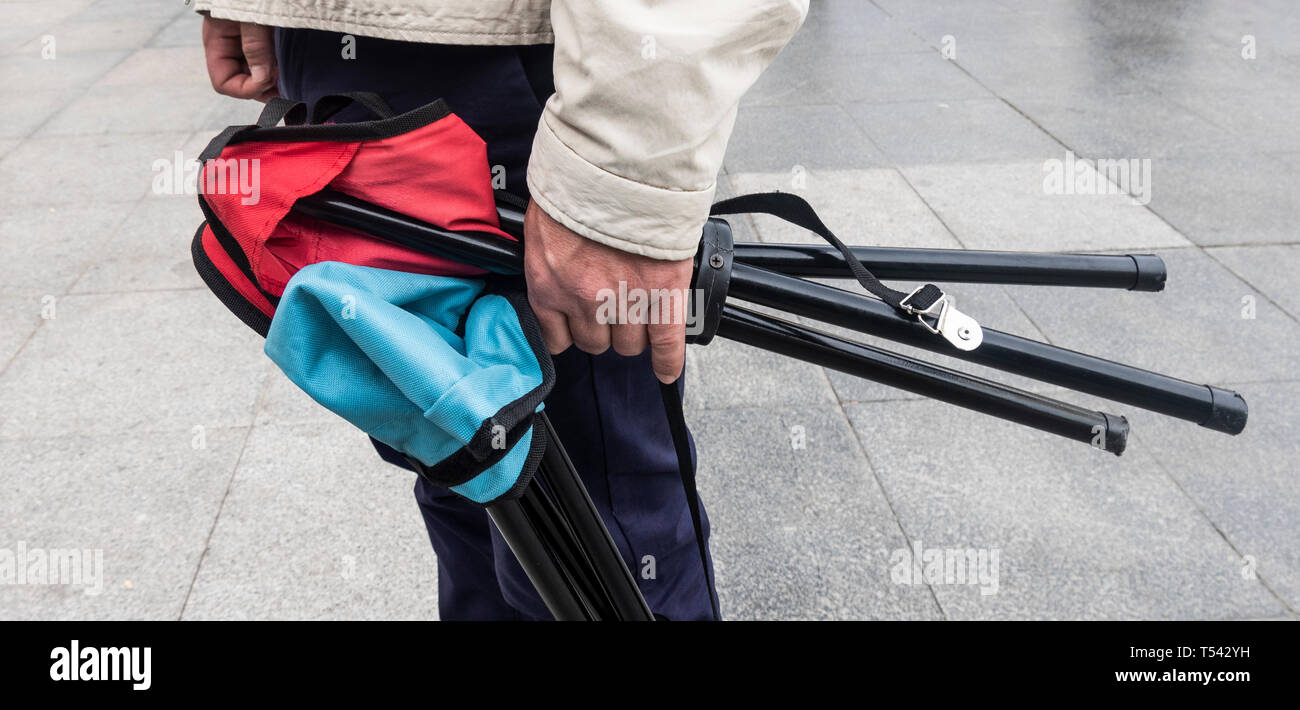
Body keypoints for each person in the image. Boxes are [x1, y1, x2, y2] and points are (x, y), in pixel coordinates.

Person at [196, 0, 807, 620]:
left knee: (594, 534)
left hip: (531, 63)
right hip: (348, 48)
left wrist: (619, 176)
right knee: (466, 467)